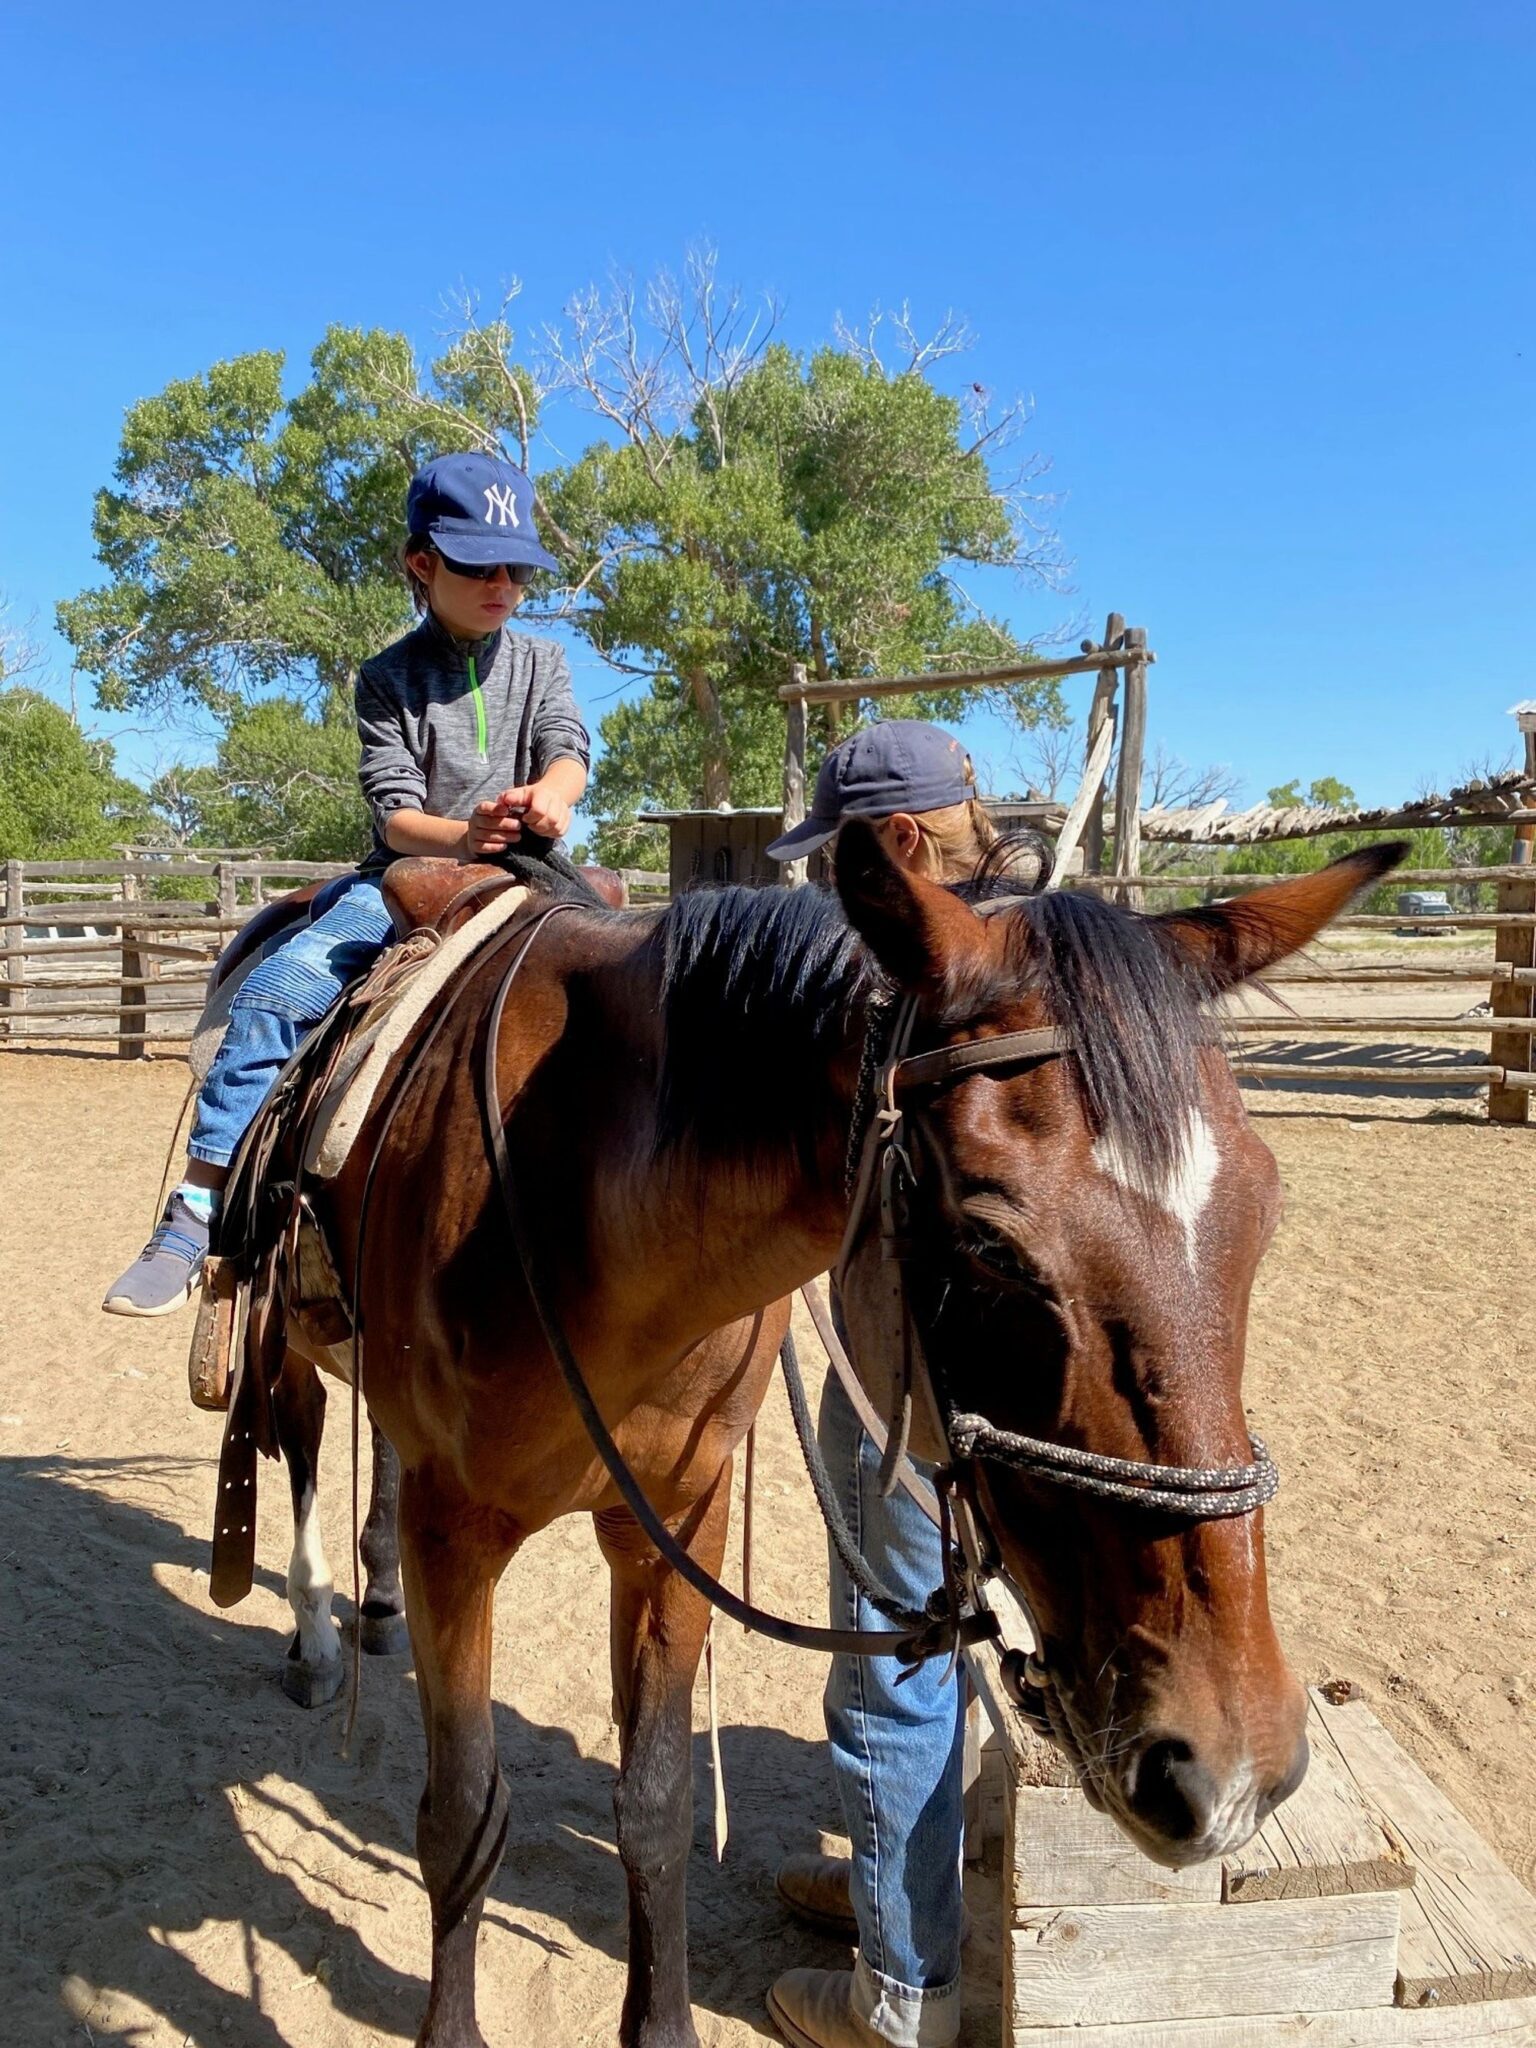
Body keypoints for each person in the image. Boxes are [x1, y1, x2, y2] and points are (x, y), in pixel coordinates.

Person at [102, 451, 590, 1316]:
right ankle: (196, 1207)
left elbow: (566, 748)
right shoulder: (386, 678)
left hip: (528, 868)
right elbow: (395, 814)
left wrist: (553, 795)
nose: (504, 585)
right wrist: (463, 834)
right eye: (481, 566)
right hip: (407, 876)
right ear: (422, 564)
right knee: (280, 988)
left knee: (643, 982)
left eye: (518, 569)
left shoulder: (542, 662)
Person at [762, 722, 1022, 2048]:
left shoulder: (911, 978)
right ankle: (904, 1891)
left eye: (843, 861)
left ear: (902, 844)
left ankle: (903, 1994)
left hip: (909, 1374)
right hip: (1033, 1391)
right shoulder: (1054, 942)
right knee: (970, 1642)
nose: (830, 886)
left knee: (892, 1667)